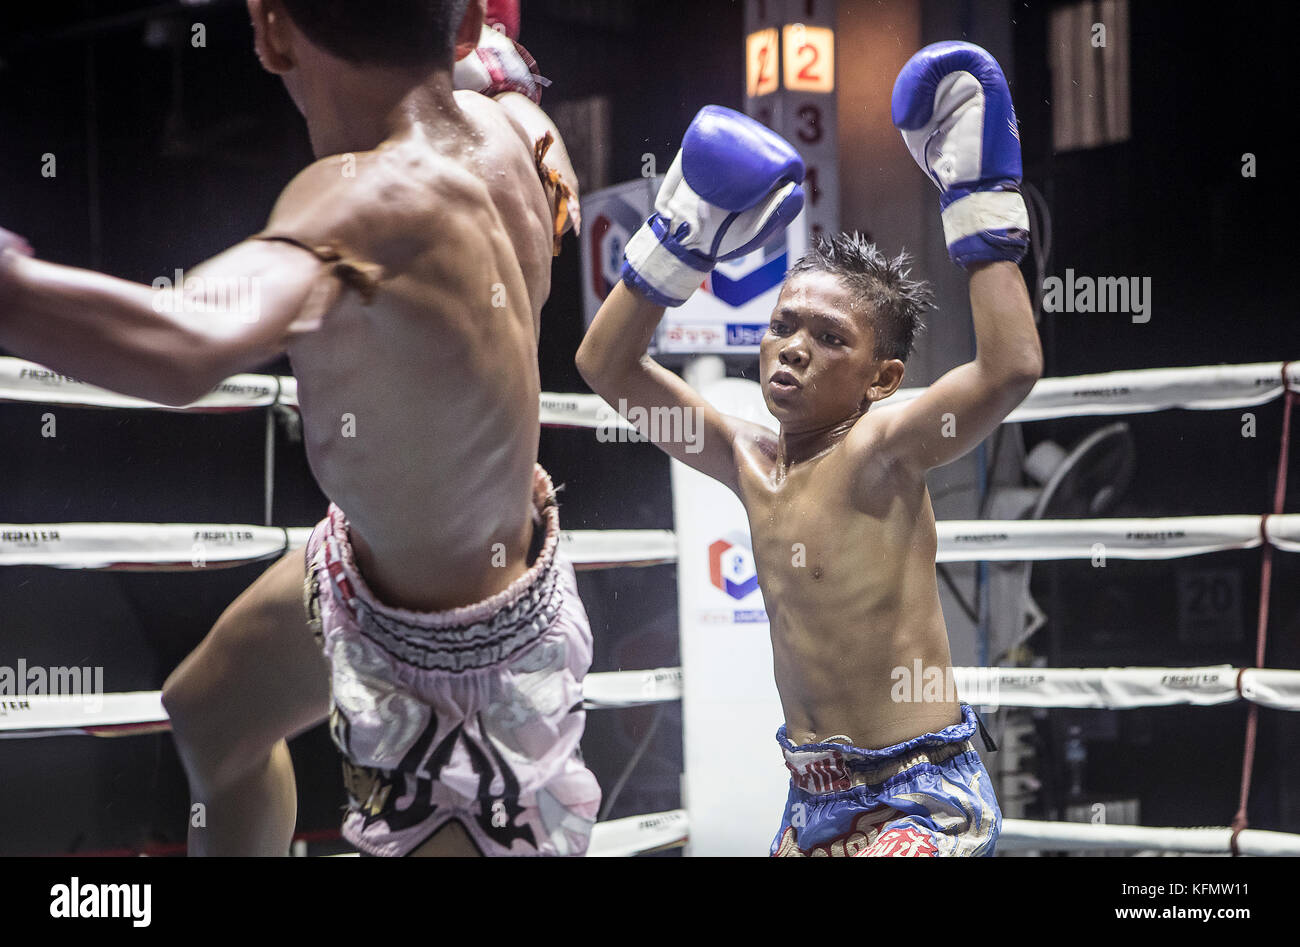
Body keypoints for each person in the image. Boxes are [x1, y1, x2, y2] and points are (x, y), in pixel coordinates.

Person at [0, 0, 600, 856]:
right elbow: (497, 79)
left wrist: (13, 290)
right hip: (372, 563)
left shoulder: (359, 198)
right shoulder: (511, 129)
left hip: (470, 662)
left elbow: (184, 342)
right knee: (210, 713)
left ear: (271, 32)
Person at [577, 42, 1040, 856]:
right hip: (813, 800)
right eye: (783, 324)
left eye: (829, 337)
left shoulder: (883, 450)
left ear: (881, 378)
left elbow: (1010, 369)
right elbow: (607, 367)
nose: (793, 346)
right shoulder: (746, 459)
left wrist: (980, 207)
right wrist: (679, 241)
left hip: (919, 797)